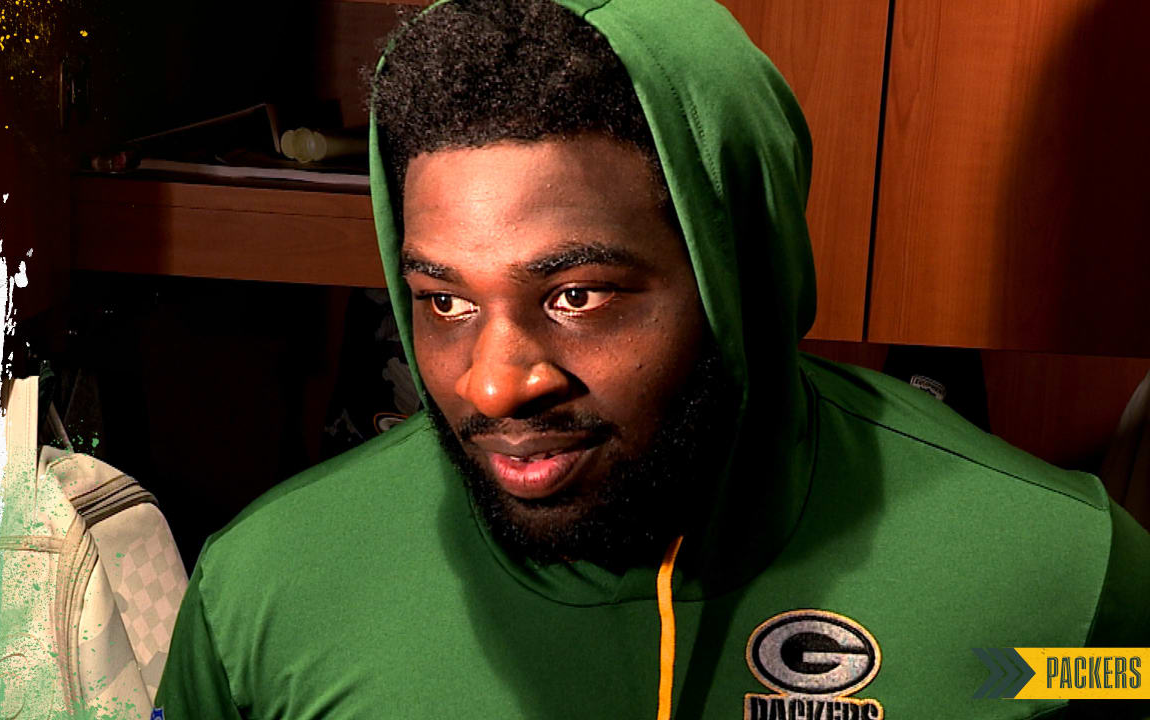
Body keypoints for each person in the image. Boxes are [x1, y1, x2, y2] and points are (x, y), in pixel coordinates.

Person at [154, 1, 1150, 718]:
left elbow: (1012, 675)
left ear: (736, 273)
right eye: (446, 301)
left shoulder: (1060, 586)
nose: (493, 383)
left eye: (575, 296)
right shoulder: (269, 592)